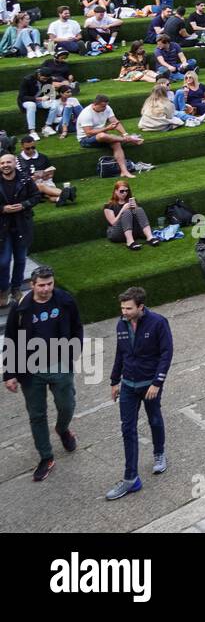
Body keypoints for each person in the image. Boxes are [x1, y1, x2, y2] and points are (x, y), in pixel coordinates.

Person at [2, 266, 82, 482]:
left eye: (50, 284)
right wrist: (9, 373)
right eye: (41, 285)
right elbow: (10, 340)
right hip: (30, 371)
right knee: (37, 415)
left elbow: (77, 326)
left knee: (67, 405)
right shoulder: (20, 308)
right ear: (33, 285)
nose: (46, 289)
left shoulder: (65, 300)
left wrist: (74, 351)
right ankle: (46, 457)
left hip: (60, 365)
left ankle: (62, 429)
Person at [105, 286, 173, 500]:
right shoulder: (121, 324)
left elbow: (166, 353)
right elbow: (120, 353)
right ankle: (131, 478)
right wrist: (114, 381)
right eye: (122, 307)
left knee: (154, 419)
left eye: (128, 308)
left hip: (149, 385)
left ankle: (159, 453)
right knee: (127, 429)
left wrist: (157, 383)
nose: (124, 312)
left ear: (140, 307)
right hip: (128, 385)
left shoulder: (158, 323)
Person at [0, 153, 41, 307]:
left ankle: (16, 289)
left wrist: (24, 205)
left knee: (20, 260)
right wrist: (3, 209)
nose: (5, 165)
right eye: (2, 163)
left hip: (21, 226)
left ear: (14, 163)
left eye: (8, 162)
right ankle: (3, 290)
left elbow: (36, 196)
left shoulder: (25, 179)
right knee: (3, 262)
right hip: (2, 229)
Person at [77, 95, 143, 178]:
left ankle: (124, 171)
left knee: (116, 143)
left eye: (106, 105)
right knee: (102, 135)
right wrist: (107, 128)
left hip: (104, 135)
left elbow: (115, 122)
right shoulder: (86, 113)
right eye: (102, 106)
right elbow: (88, 133)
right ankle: (128, 139)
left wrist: (125, 134)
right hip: (86, 140)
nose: (105, 108)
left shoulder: (107, 108)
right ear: (95, 104)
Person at [17, 135, 75, 205]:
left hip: (45, 182)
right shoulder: (17, 160)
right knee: (41, 186)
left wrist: (48, 175)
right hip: (29, 186)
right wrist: (30, 179)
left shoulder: (42, 157)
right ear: (22, 147)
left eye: (33, 147)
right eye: (27, 148)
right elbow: (17, 179)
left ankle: (58, 199)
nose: (31, 150)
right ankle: (67, 192)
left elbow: (50, 171)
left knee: (49, 194)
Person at [103, 181, 162, 248]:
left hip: (134, 230)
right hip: (118, 233)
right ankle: (130, 242)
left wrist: (135, 207)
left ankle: (150, 237)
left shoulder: (131, 201)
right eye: (121, 191)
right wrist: (123, 209)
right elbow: (113, 223)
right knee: (127, 212)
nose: (124, 193)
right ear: (116, 191)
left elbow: (138, 218)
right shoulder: (109, 206)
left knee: (139, 209)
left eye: (126, 191)